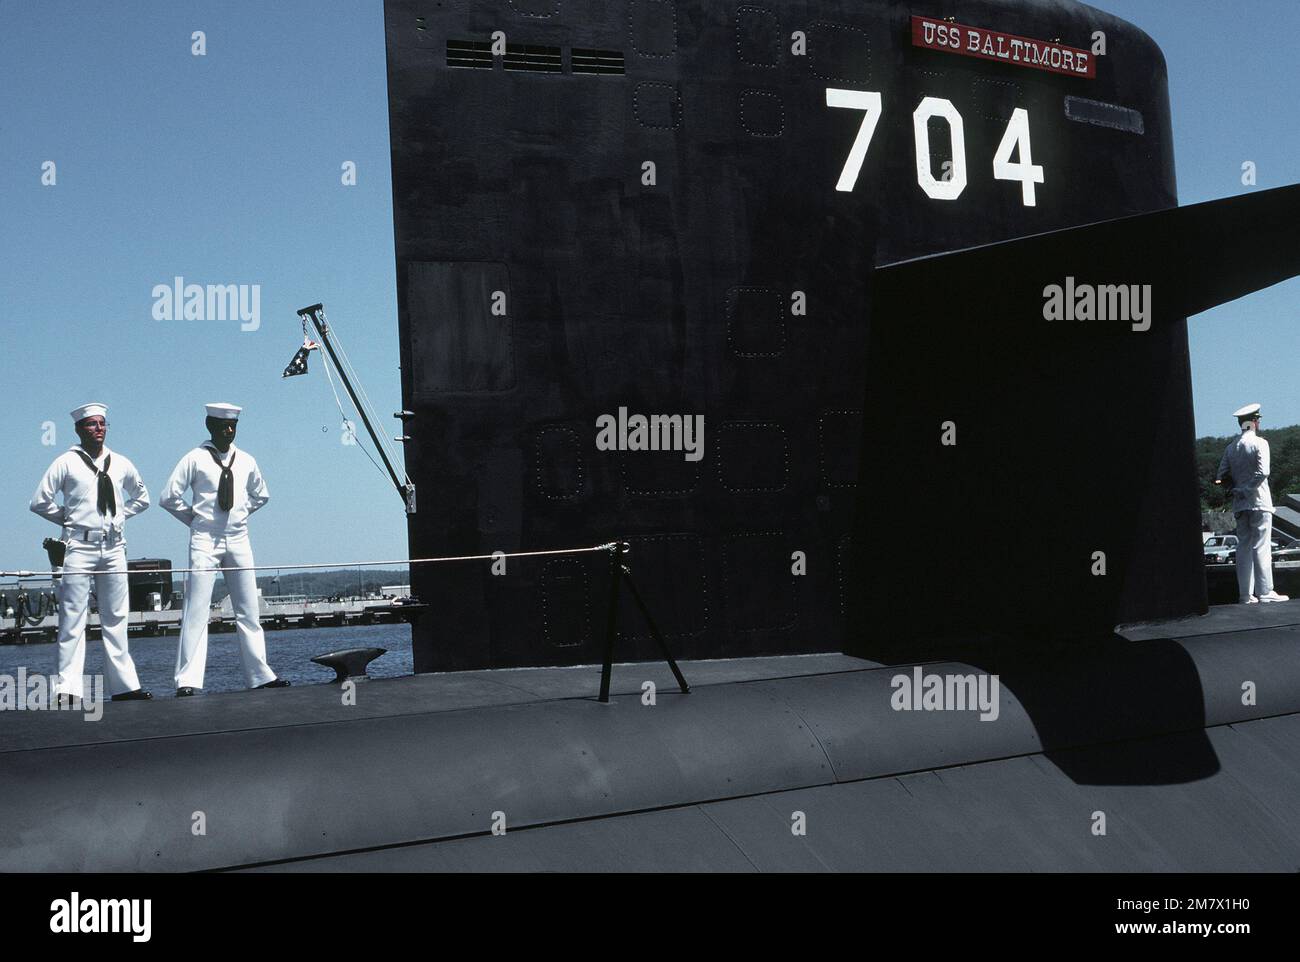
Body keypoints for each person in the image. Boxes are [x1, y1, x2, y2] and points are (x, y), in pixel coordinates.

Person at [161, 403, 289, 695]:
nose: (229, 431)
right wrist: (194, 520)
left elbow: (261, 494)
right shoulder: (194, 459)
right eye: (222, 426)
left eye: (233, 426)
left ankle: (260, 675)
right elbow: (168, 497)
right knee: (196, 609)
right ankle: (188, 680)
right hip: (205, 538)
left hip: (238, 536)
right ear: (210, 426)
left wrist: (240, 513)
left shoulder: (246, 460)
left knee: (248, 610)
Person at [29, 403, 153, 703]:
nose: (99, 428)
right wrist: (69, 519)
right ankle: (67, 689)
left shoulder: (121, 463)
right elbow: (39, 501)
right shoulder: (66, 463)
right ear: (78, 429)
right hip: (78, 547)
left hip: (113, 547)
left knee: (116, 618)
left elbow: (142, 498)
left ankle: (124, 686)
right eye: (92, 424)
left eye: (103, 423)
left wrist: (120, 516)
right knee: (72, 619)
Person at [1217, 403, 1288, 604]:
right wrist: (1248, 489)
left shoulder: (1231, 448)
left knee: (1244, 547)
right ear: (1254, 421)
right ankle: (1265, 592)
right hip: (1258, 501)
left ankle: (1245, 595)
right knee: (1261, 546)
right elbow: (1263, 471)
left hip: (1240, 505)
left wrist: (1235, 491)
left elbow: (1220, 477)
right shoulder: (1260, 443)